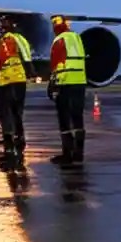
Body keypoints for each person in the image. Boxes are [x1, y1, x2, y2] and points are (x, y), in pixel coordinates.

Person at [47, 14, 88, 165]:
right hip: (80, 82)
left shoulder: (59, 40)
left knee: (64, 119)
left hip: (65, 83)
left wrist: (54, 85)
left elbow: (57, 65)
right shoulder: (77, 38)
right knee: (78, 118)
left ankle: (67, 153)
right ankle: (78, 154)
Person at [0, 14, 32, 167]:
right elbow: (1, 61)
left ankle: (12, 152)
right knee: (12, 115)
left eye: (3, 23)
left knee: (9, 116)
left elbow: (4, 60)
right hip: (12, 81)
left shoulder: (11, 39)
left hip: (11, 81)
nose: (1, 26)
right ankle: (15, 148)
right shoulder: (13, 40)